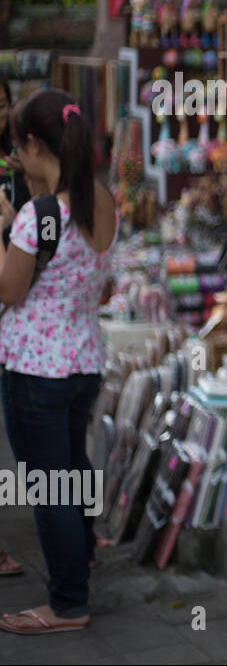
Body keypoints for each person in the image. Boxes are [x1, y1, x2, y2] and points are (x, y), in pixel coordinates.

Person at [0, 90, 118, 635]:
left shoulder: (39, 215)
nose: (14, 157)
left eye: (16, 146)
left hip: (35, 369)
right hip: (84, 360)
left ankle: (68, 603)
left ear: (33, 143)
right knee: (72, 467)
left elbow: (10, 290)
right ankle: (84, 550)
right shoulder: (102, 200)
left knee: (49, 488)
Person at [0, 82, 32, 248]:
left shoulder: (21, 151)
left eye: (1, 106)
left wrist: (29, 172)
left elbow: (48, 219)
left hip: (17, 255)